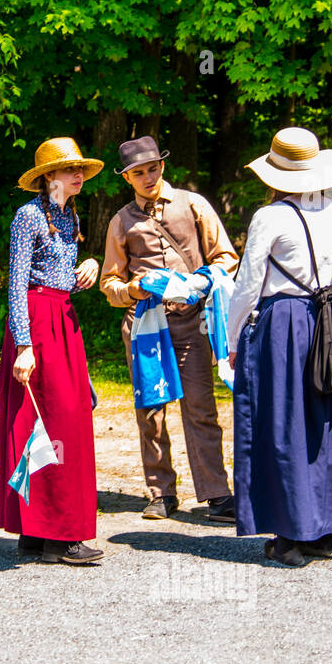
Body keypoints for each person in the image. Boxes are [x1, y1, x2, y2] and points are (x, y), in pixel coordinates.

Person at [227, 127, 332, 566]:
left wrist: (235, 336)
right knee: (330, 427)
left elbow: (248, 286)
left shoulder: (270, 218)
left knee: (284, 425)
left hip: (284, 326)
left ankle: (294, 535)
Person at [99, 136, 239, 522]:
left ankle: (215, 493)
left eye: (153, 168)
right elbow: (109, 282)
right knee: (151, 411)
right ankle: (161, 492)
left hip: (192, 322)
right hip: (145, 325)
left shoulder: (193, 205)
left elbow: (227, 257)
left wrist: (202, 280)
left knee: (200, 408)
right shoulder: (121, 221)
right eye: (138, 173)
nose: (148, 177)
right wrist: (131, 288)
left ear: (163, 165)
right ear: (127, 177)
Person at [0, 138, 104, 565]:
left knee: (67, 421)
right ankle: (57, 535)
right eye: (68, 169)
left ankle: (40, 532)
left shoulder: (69, 214)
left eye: (79, 168)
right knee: (44, 422)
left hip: (63, 320)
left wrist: (88, 269)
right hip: (37, 326)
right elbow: (17, 283)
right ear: (47, 177)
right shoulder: (28, 216)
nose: (78, 175)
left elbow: (58, 275)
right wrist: (23, 343)